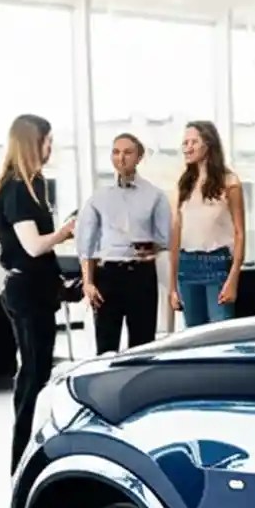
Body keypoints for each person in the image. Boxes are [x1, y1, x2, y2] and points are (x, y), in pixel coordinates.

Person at [0, 114, 75, 472]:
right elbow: (34, 246)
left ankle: (26, 456)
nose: (50, 147)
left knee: (35, 372)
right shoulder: (17, 190)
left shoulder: (32, 185)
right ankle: (22, 459)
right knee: (33, 375)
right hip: (27, 292)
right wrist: (66, 231)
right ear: (31, 143)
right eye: (47, 140)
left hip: (34, 288)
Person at [76, 133, 171, 354]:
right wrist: (88, 283)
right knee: (106, 346)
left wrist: (151, 248)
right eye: (116, 152)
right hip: (108, 276)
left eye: (128, 152)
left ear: (139, 157)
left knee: (144, 345)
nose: (121, 158)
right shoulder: (98, 197)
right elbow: (85, 245)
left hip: (141, 274)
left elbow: (164, 239)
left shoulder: (155, 196)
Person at [169, 120, 245, 328]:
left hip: (218, 265)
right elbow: (176, 234)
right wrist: (172, 286)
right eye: (185, 143)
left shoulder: (230, 181)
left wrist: (233, 279)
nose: (188, 147)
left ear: (208, 144)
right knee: (194, 339)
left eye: (194, 141)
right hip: (187, 266)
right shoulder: (184, 183)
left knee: (221, 335)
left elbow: (239, 233)